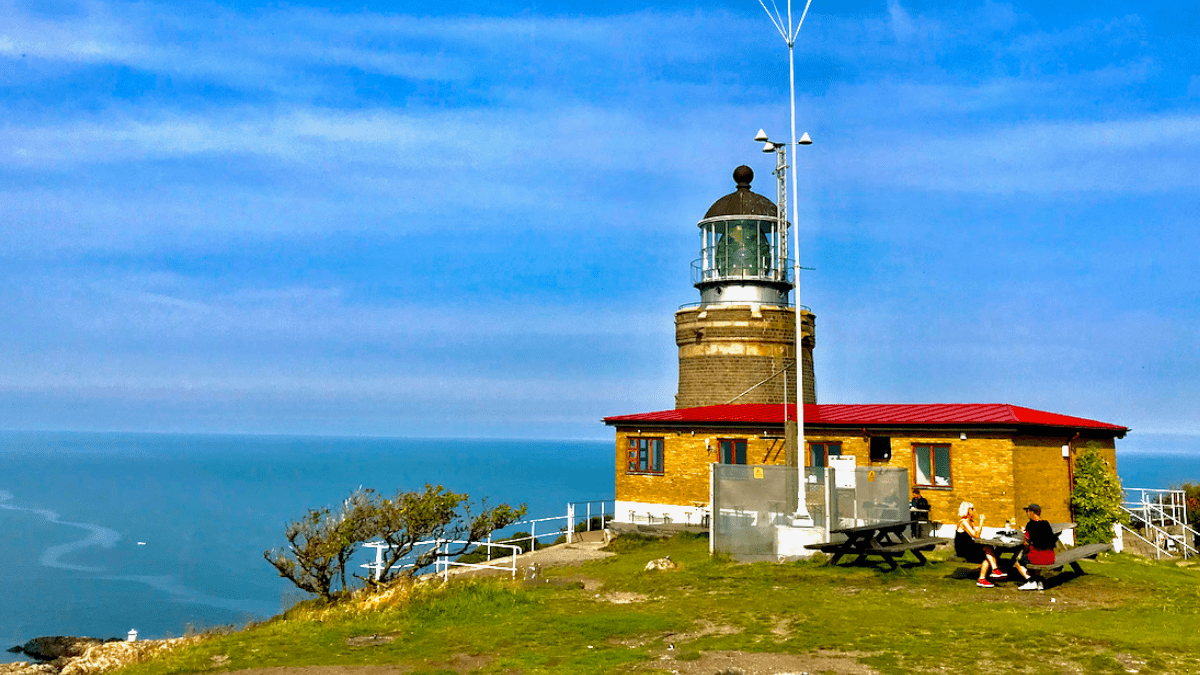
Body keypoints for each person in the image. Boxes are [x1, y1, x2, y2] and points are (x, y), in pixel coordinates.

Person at [954, 502, 1038, 589]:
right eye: (972, 509)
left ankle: (985, 576)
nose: (973, 511)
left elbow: (976, 535)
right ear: (967, 510)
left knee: (988, 551)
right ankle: (991, 572)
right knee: (988, 550)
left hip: (969, 546)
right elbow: (976, 535)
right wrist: (981, 522)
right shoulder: (963, 522)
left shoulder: (969, 521)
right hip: (963, 549)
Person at [1023, 503, 1058, 590]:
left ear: (1032, 512)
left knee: (1018, 563)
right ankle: (1039, 581)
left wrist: (1024, 533)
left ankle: (1032, 581)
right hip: (1050, 558)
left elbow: (1025, 543)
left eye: (1028, 511)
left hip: (1037, 557)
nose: (1027, 513)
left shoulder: (1030, 525)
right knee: (1036, 559)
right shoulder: (1046, 524)